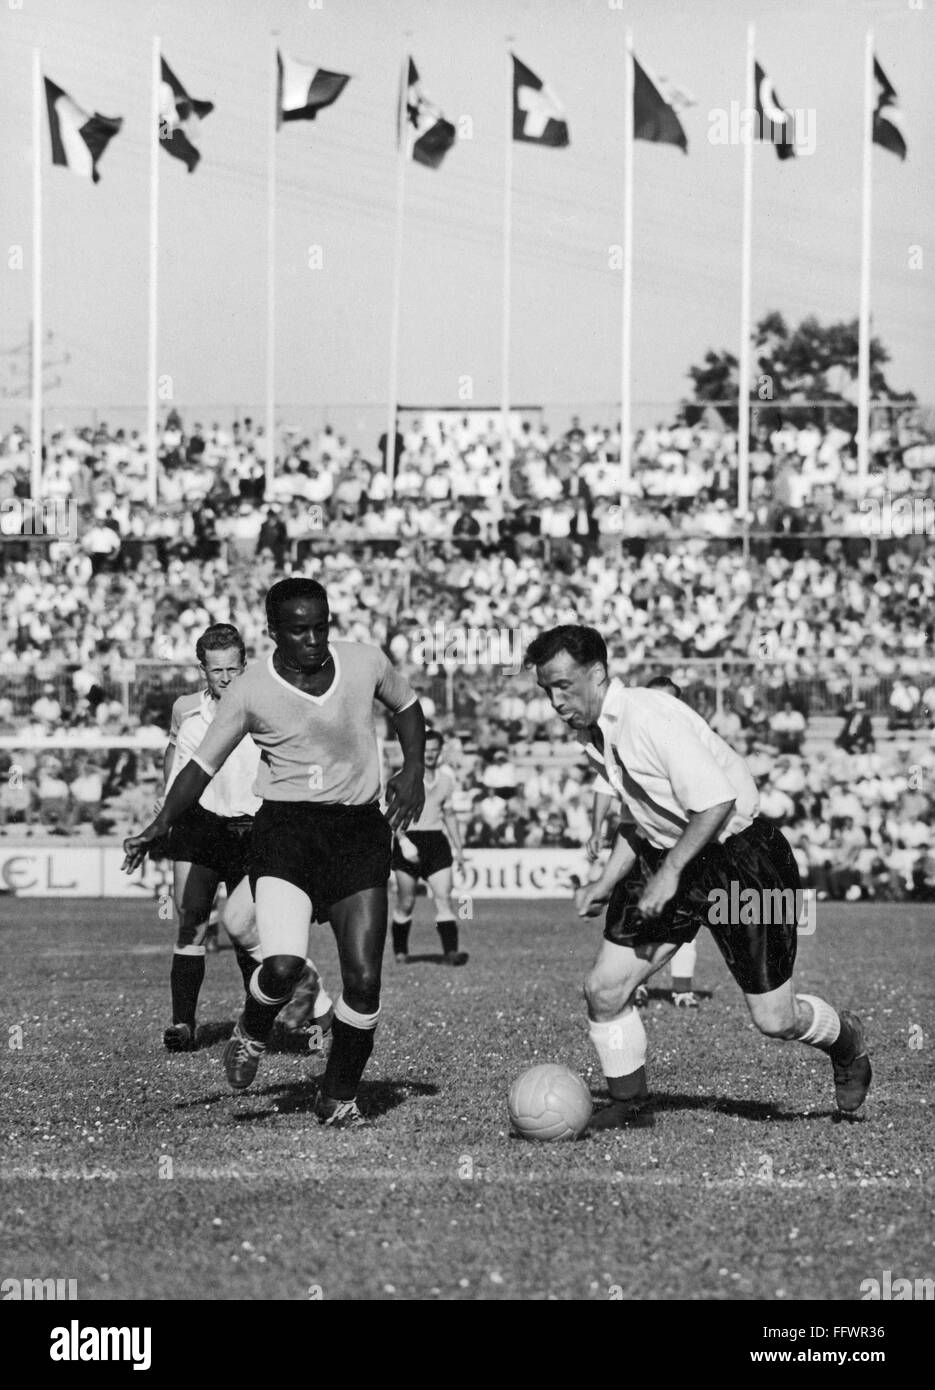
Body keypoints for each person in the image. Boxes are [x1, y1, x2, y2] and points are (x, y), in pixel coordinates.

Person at [524, 624, 871, 1131]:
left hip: (746, 862)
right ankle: (629, 1103)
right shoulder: (594, 732)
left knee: (775, 1019)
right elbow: (639, 814)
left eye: (562, 685)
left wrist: (668, 874)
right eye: (545, 690)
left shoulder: (646, 716)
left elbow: (716, 801)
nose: (554, 701)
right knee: (604, 989)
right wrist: (606, 880)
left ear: (597, 673)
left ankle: (847, 1041)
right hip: (676, 856)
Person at [124, 579, 425, 1129]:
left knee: (363, 980)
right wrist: (159, 824)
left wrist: (414, 770)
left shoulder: (364, 663)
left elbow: (408, 708)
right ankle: (253, 1026)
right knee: (282, 965)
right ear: (272, 632)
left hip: (358, 832)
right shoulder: (251, 689)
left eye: (320, 626)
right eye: (298, 629)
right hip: (286, 833)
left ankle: (337, 1097)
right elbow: (200, 766)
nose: (312, 639)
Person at [153, 623, 332, 1053]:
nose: (226, 678)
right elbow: (174, 753)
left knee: (247, 928)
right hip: (200, 824)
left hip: (252, 826)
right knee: (191, 921)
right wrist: (167, 808)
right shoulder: (185, 710)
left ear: (244, 664)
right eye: (217, 670)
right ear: (203, 670)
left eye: (234, 668)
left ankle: (277, 1016)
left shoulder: (263, 705)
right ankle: (183, 1023)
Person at [587, 673, 700, 1009]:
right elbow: (605, 786)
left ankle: (682, 988)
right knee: (637, 917)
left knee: (682, 918)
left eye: (667, 700)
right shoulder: (622, 738)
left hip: (684, 844)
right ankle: (636, 984)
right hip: (639, 841)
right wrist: (597, 831)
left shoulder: (688, 740)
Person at [391, 730, 469, 966]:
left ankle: (450, 952)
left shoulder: (446, 780)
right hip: (409, 840)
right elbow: (392, 815)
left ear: (441, 751)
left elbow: (450, 815)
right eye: (427, 749)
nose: (431, 754)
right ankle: (401, 951)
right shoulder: (404, 777)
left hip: (436, 842)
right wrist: (403, 842)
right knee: (406, 902)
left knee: (444, 898)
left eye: (436, 749)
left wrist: (460, 851)